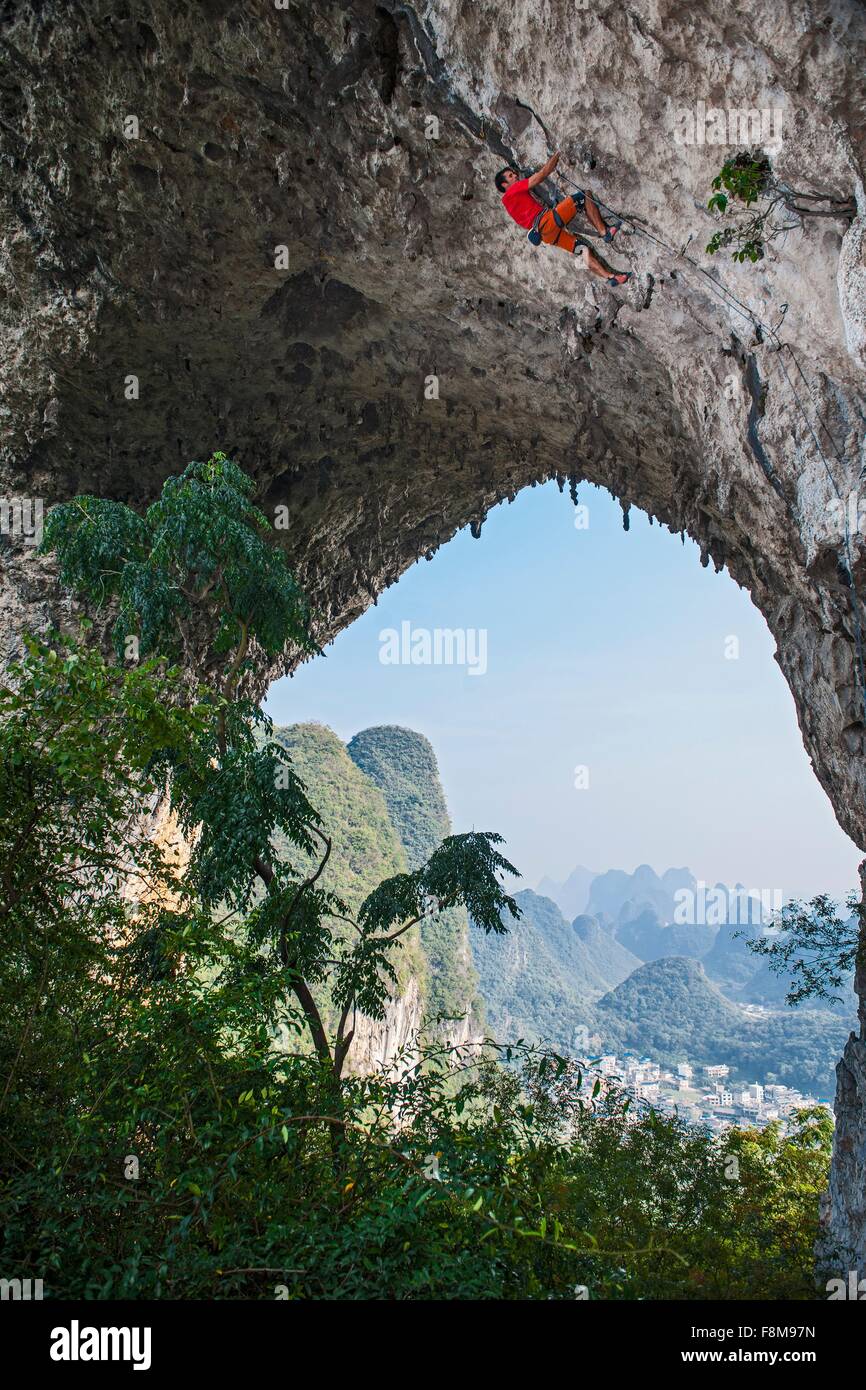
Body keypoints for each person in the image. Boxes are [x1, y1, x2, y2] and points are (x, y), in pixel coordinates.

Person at [495, 151, 631, 286]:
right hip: (547, 221)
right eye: (511, 176)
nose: (515, 176)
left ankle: (610, 277)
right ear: (504, 185)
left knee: (583, 249)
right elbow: (540, 176)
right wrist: (557, 155)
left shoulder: (508, 204)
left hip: (546, 236)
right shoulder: (512, 190)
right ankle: (604, 232)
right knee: (584, 196)